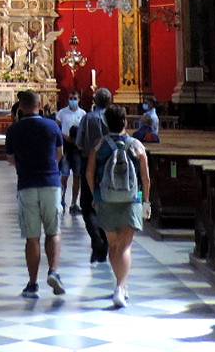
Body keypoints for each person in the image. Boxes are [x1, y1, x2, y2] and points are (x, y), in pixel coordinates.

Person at [4, 90, 66, 297]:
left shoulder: (14, 129)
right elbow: (59, 154)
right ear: (40, 105)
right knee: (53, 231)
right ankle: (54, 272)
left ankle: (32, 284)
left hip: (27, 184)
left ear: (20, 107)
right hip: (51, 183)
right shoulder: (52, 126)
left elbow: (11, 159)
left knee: (32, 238)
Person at [89, 104, 151, 309]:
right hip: (131, 200)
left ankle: (119, 285)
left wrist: (94, 195)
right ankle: (121, 287)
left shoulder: (99, 145)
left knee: (113, 245)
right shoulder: (136, 145)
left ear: (106, 123)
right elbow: (146, 178)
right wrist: (146, 202)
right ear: (124, 122)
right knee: (125, 246)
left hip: (105, 199)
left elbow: (89, 173)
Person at [74, 87, 113, 263]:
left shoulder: (87, 118)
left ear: (95, 101)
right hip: (109, 165)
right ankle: (103, 242)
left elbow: (79, 143)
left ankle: (97, 240)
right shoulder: (113, 117)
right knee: (105, 203)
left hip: (88, 163)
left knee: (87, 205)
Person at [55, 91, 84, 212]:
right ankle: (61, 199)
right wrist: (65, 137)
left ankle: (74, 203)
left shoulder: (83, 113)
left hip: (77, 148)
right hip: (65, 147)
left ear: (79, 99)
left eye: (75, 98)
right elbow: (56, 129)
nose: (72, 100)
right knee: (64, 175)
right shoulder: (62, 113)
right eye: (71, 98)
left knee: (77, 176)